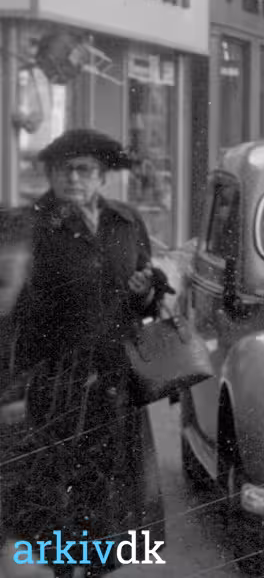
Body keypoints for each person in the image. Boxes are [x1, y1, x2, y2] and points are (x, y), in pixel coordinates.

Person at [4, 129, 170, 577]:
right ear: (51, 175)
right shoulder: (31, 225)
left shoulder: (126, 221)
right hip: (56, 377)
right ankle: (63, 569)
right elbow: (13, 303)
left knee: (111, 483)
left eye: (84, 170)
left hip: (115, 377)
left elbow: (148, 297)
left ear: (102, 178)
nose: (73, 179)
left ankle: (96, 569)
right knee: (56, 482)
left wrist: (144, 290)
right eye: (63, 170)